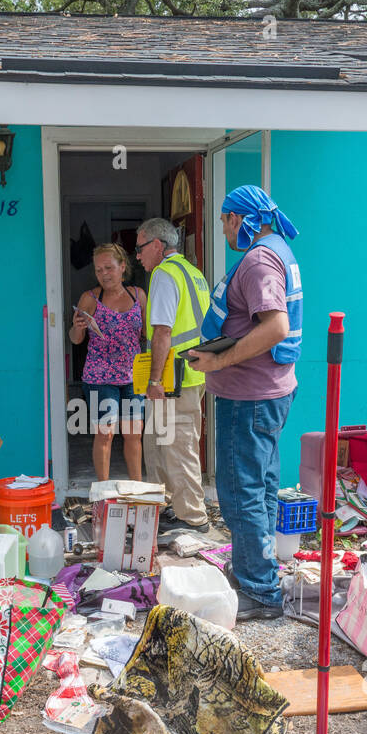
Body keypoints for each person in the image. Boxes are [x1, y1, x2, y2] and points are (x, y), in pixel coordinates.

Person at [186, 186, 303, 620]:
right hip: (268, 392)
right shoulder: (279, 251)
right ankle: (259, 570)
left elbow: (275, 327)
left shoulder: (257, 260)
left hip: (248, 397)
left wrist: (219, 359)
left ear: (240, 218)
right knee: (261, 486)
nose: (221, 226)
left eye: (223, 218)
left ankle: (259, 589)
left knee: (241, 492)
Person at [135, 217, 211, 534]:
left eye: (140, 248)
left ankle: (193, 518)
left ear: (156, 245)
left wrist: (154, 381)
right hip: (192, 374)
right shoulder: (192, 273)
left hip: (174, 378)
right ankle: (165, 505)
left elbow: (163, 332)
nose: (137, 256)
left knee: (178, 449)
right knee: (158, 444)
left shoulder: (164, 275)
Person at [70, 242, 147, 481]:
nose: (104, 274)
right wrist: (76, 327)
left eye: (109, 268)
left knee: (134, 434)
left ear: (122, 267)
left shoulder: (138, 295)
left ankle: (138, 489)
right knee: (105, 434)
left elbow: (146, 335)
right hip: (99, 378)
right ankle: (103, 492)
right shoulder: (90, 298)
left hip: (133, 377)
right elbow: (75, 340)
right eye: (98, 270)